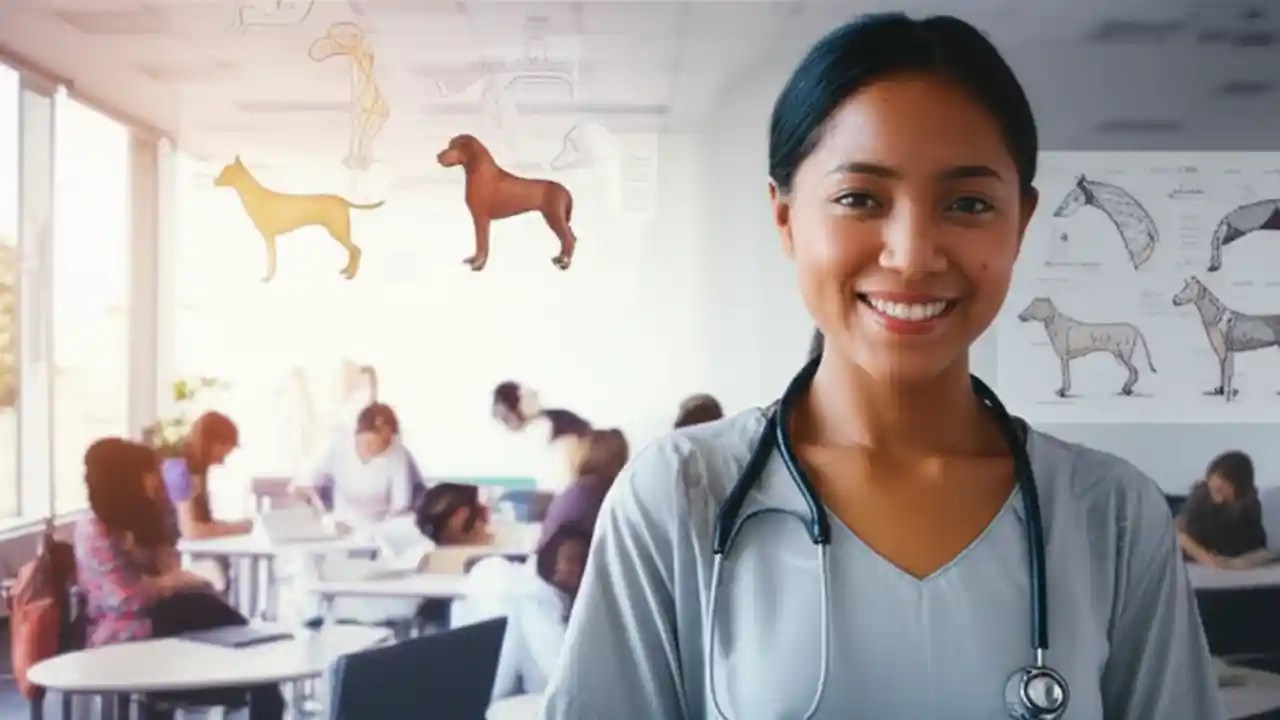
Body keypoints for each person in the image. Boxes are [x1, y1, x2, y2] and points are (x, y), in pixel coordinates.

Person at [542, 13, 1222, 720]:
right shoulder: (677, 498)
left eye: (968, 203)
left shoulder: (1110, 517)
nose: (911, 253)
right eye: (859, 198)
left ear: (1019, 224)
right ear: (785, 219)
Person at [74, 438, 283, 720]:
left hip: (162, 615)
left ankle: (254, 684)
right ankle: (250, 686)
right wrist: (175, 583)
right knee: (205, 610)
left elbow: (168, 568)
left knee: (204, 607)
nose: (155, 480)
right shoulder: (94, 529)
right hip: (122, 628)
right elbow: (125, 598)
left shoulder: (145, 514)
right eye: (148, 472)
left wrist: (174, 579)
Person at [292, 402, 427, 531]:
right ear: (357, 436)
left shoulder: (398, 454)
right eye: (366, 442)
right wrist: (310, 495)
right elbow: (302, 483)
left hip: (382, 529)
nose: (372, 448)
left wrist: (388, 531)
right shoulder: (336, 448)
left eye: (385, 442)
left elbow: (400, 506)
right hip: (341, 526)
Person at [160, 411, 253, 540]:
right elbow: (191, 531)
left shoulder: (196, 472)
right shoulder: (178, 470)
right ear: (212, 443)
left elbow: (202, 521)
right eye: (223, 454)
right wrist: (238, 528)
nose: (221, 461)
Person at [491, 381, 592, 492]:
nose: (506, 422)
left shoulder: (543, 428)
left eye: (506, 416)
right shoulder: (547, 423)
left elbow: (556, 482)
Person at [1178, 451, 1269, 568]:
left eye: (1223, 481)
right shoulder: (1201, 497)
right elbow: (1181, 536)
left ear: (1239, 484)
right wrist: (1206, 558)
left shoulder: (1249, 507)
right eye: (1212, 479)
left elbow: (1255, 546)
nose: (1215, 485)